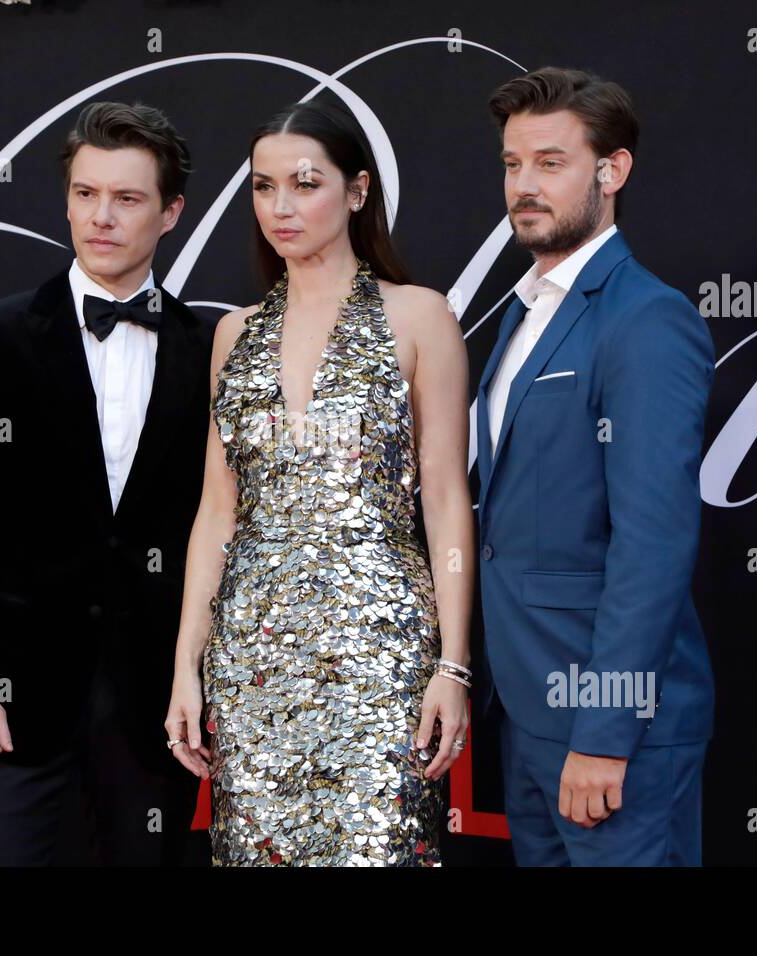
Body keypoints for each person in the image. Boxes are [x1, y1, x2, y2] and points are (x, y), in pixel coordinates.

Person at [164, 99, 476, 866]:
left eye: (305, 184)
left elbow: (444, 499)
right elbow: (216, 512)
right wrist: (185, 667)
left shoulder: (420, 317)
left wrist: (454, 665)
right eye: (263, 187)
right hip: (252, 657)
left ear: (357, 190)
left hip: (382, 651)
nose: (281, 206)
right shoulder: (234, 333)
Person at [0, 101, 214, 865]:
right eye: (86, 194)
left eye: (127, 198)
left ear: (171, 211)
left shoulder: (210, 350)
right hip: (14, 695)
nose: (102, 217)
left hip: (160, 706)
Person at [474, 67, 716, 866]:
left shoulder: (646, 318)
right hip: (530, 713)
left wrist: (606, 737)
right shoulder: (524, 312)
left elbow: (652, 544)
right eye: (513, 165)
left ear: (611, 173)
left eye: (550, 163)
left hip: (609, 730)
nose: (524, 186)